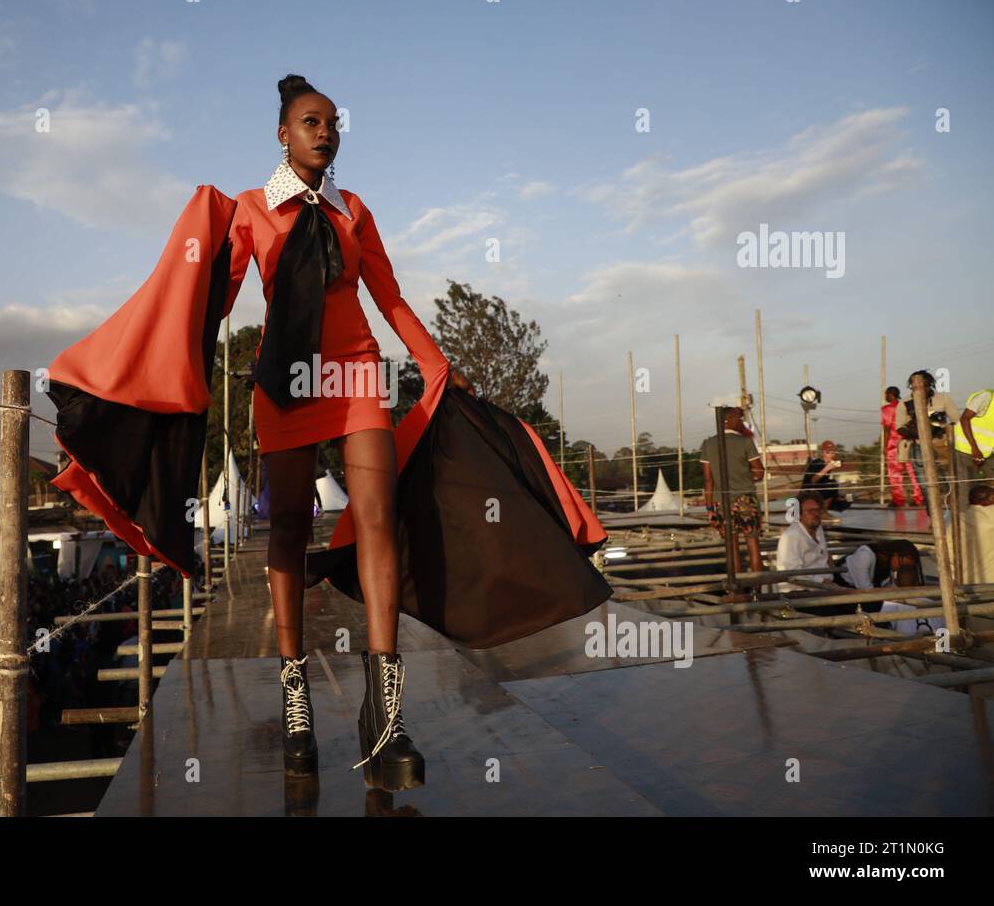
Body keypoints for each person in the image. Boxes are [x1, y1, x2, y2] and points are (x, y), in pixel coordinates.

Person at [44, 73, 612, 792]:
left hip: (355, 374)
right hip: (286, 381)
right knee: (286, 526)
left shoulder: (355, 211)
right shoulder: (252, 209)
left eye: (332, 122)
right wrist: (194, 267)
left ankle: (384, 713)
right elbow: (215, 301)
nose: (324, 130)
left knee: (377, 518)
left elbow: (390, 297)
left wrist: (440, 365)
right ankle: (295, 700)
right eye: (310, 121)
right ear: (283, 134)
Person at [700, 405, 765, 576]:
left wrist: (709, 508)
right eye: (738, 418)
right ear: (728, 420)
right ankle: (757, 589)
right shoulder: (745, 442)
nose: (742, 422)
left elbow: (708, 479)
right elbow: (759, 473)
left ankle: (737, 590)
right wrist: (744, 474)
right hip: (746, 499)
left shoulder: (708, 444)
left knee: (732, 548)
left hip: (721, 503)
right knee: (753, 545)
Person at [896, 370, 964, 490]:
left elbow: (957, 421)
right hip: (918, 445)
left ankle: (950, 506)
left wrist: (939, 430)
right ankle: (931, 509)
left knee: (949, 481)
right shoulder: (904, 403)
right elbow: (899, 427)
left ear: (929, 385)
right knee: (926, 485)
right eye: (914, 386)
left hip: (941, 444)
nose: (918, 389)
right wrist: (918, 432)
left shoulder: (943, 399)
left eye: (923, 385)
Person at [775, 494, 832, 593]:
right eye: (810, 511)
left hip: (825, 585)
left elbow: (824, 558)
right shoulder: (791, 536)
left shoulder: (818, 527)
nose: (816, 514)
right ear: (799, 515)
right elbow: (794, 573)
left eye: (818, 510)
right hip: (800, 591)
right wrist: (822, 581)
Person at [881, 386, 924, 507]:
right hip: (908, 441)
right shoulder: (905, 406)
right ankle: (919, 498)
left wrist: (885, 446)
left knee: (895, 473)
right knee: (913, 472)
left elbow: (887, 428)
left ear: (890, 395)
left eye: (886, 394)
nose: (885, 397)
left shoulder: (887, 409)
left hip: (894, 444)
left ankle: (898, 500)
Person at [954, 388, 994, 481]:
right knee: (967, 489)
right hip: (968, 452)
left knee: (988, 490)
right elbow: (964, 419)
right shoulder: (986, 397)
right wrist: (975, 449)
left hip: (988, 454)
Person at [801, 439, 851, 512]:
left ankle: (824, 510)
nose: (831, 455)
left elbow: (840, 463)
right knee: (832, 484)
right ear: (822, 453)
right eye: (828, 452)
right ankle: (823, 513)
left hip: (818, 492)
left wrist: (837, 463)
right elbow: (813, 480)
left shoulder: (827, 463)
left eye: (833, 452)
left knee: (846, 500)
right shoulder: (817, 463)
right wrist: (827, 468)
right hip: (808, 494)